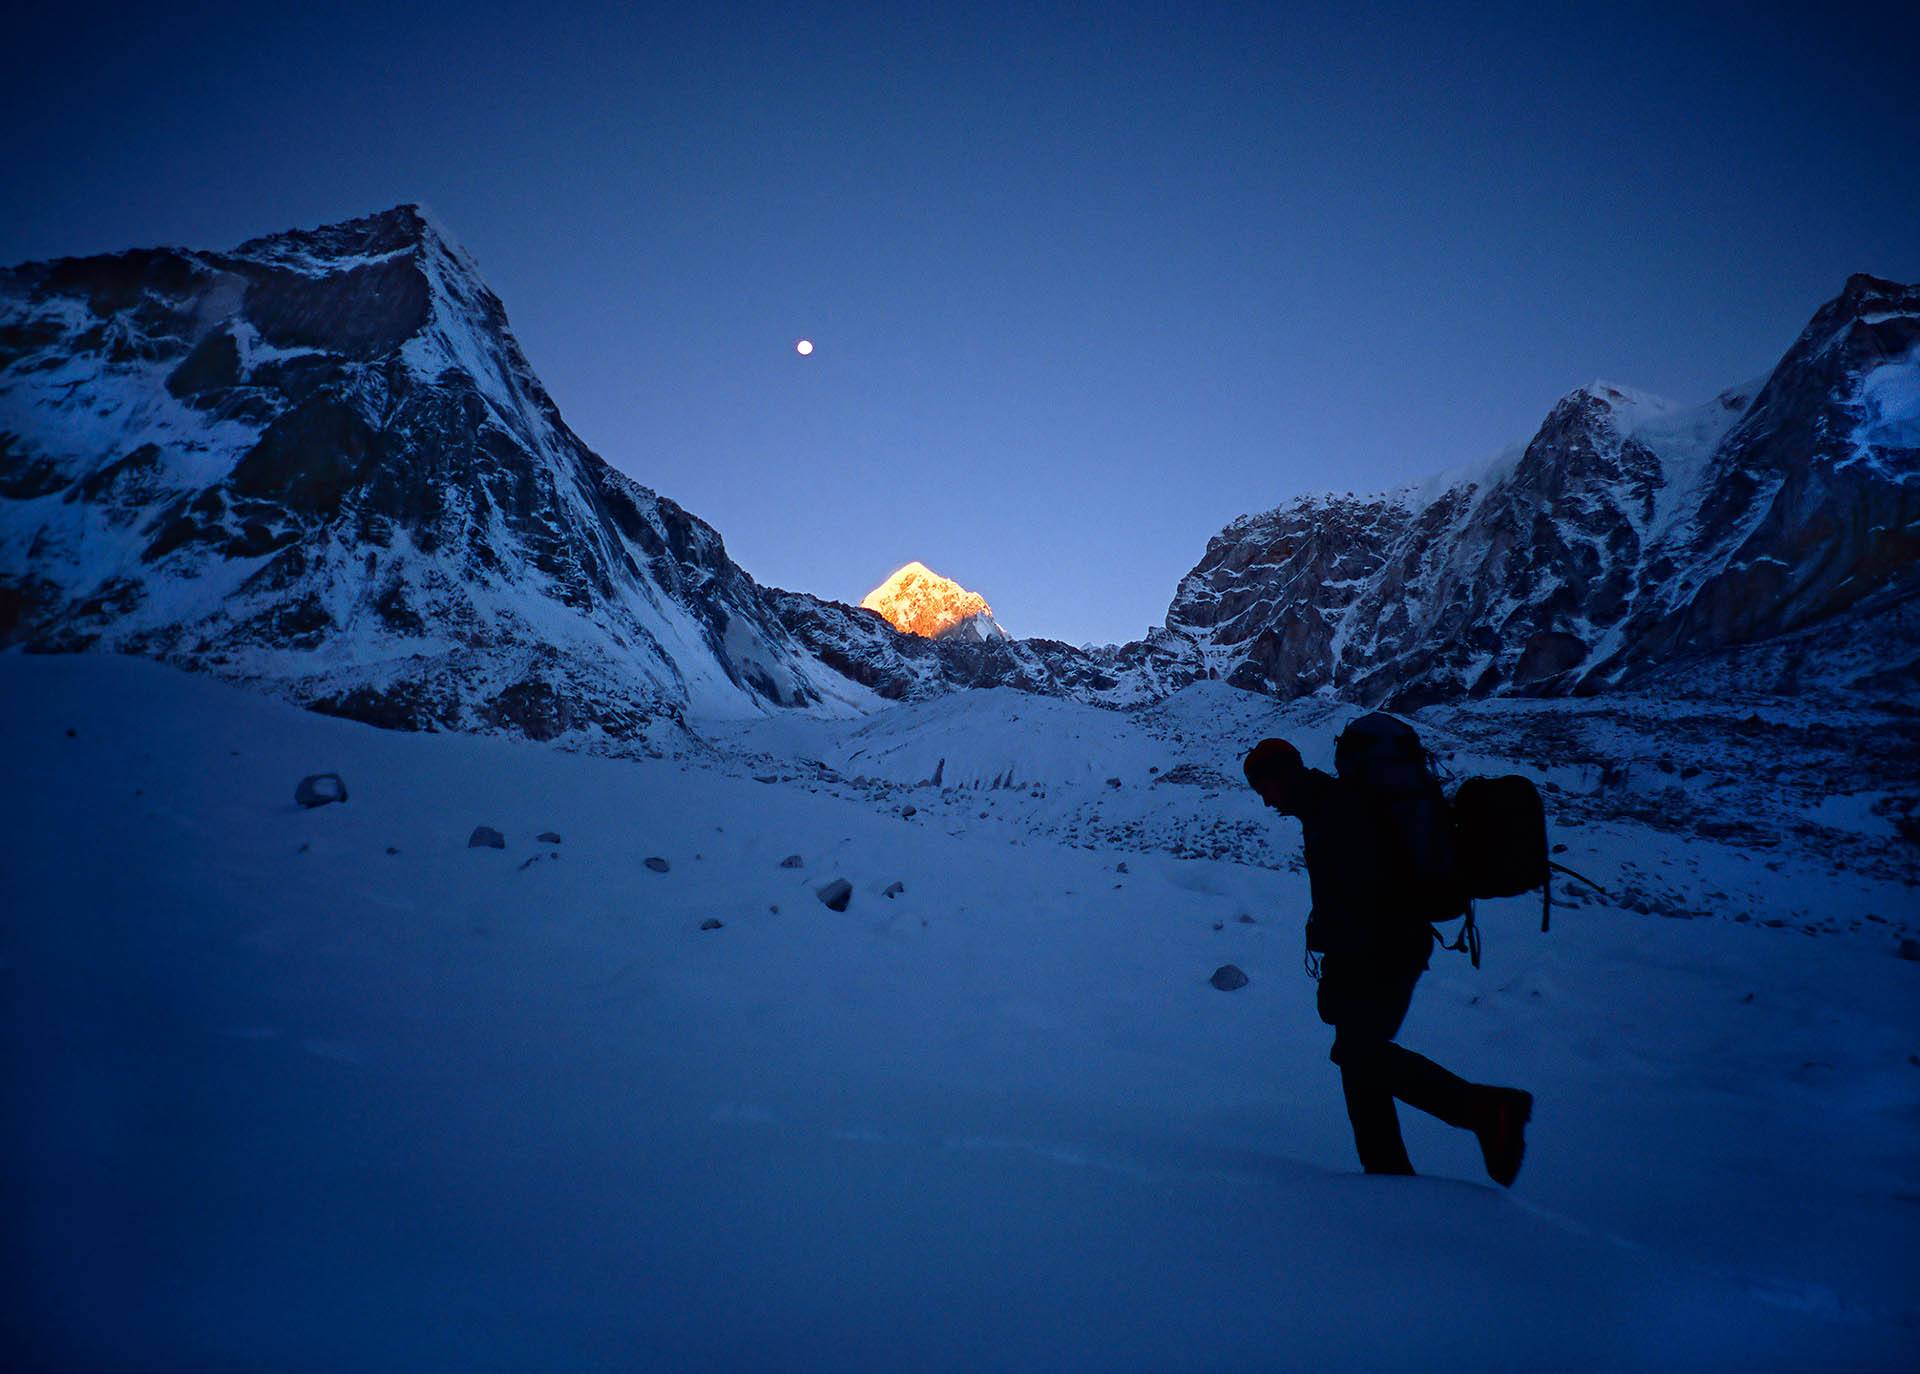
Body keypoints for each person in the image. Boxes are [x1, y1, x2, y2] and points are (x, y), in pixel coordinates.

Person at [1242, 735, 1533, 1185]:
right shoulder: (1326, 807)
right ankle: (1389, 1173)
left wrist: (1341, 961)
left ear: (1282, 777)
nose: (1264, 801)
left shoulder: (1334, 811)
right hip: (1383, 946)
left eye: (1264, 788)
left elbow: (1367, 893)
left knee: (1358, 1054)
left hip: (1384, 949)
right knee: (1359, 1056)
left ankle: (1486, 1111)